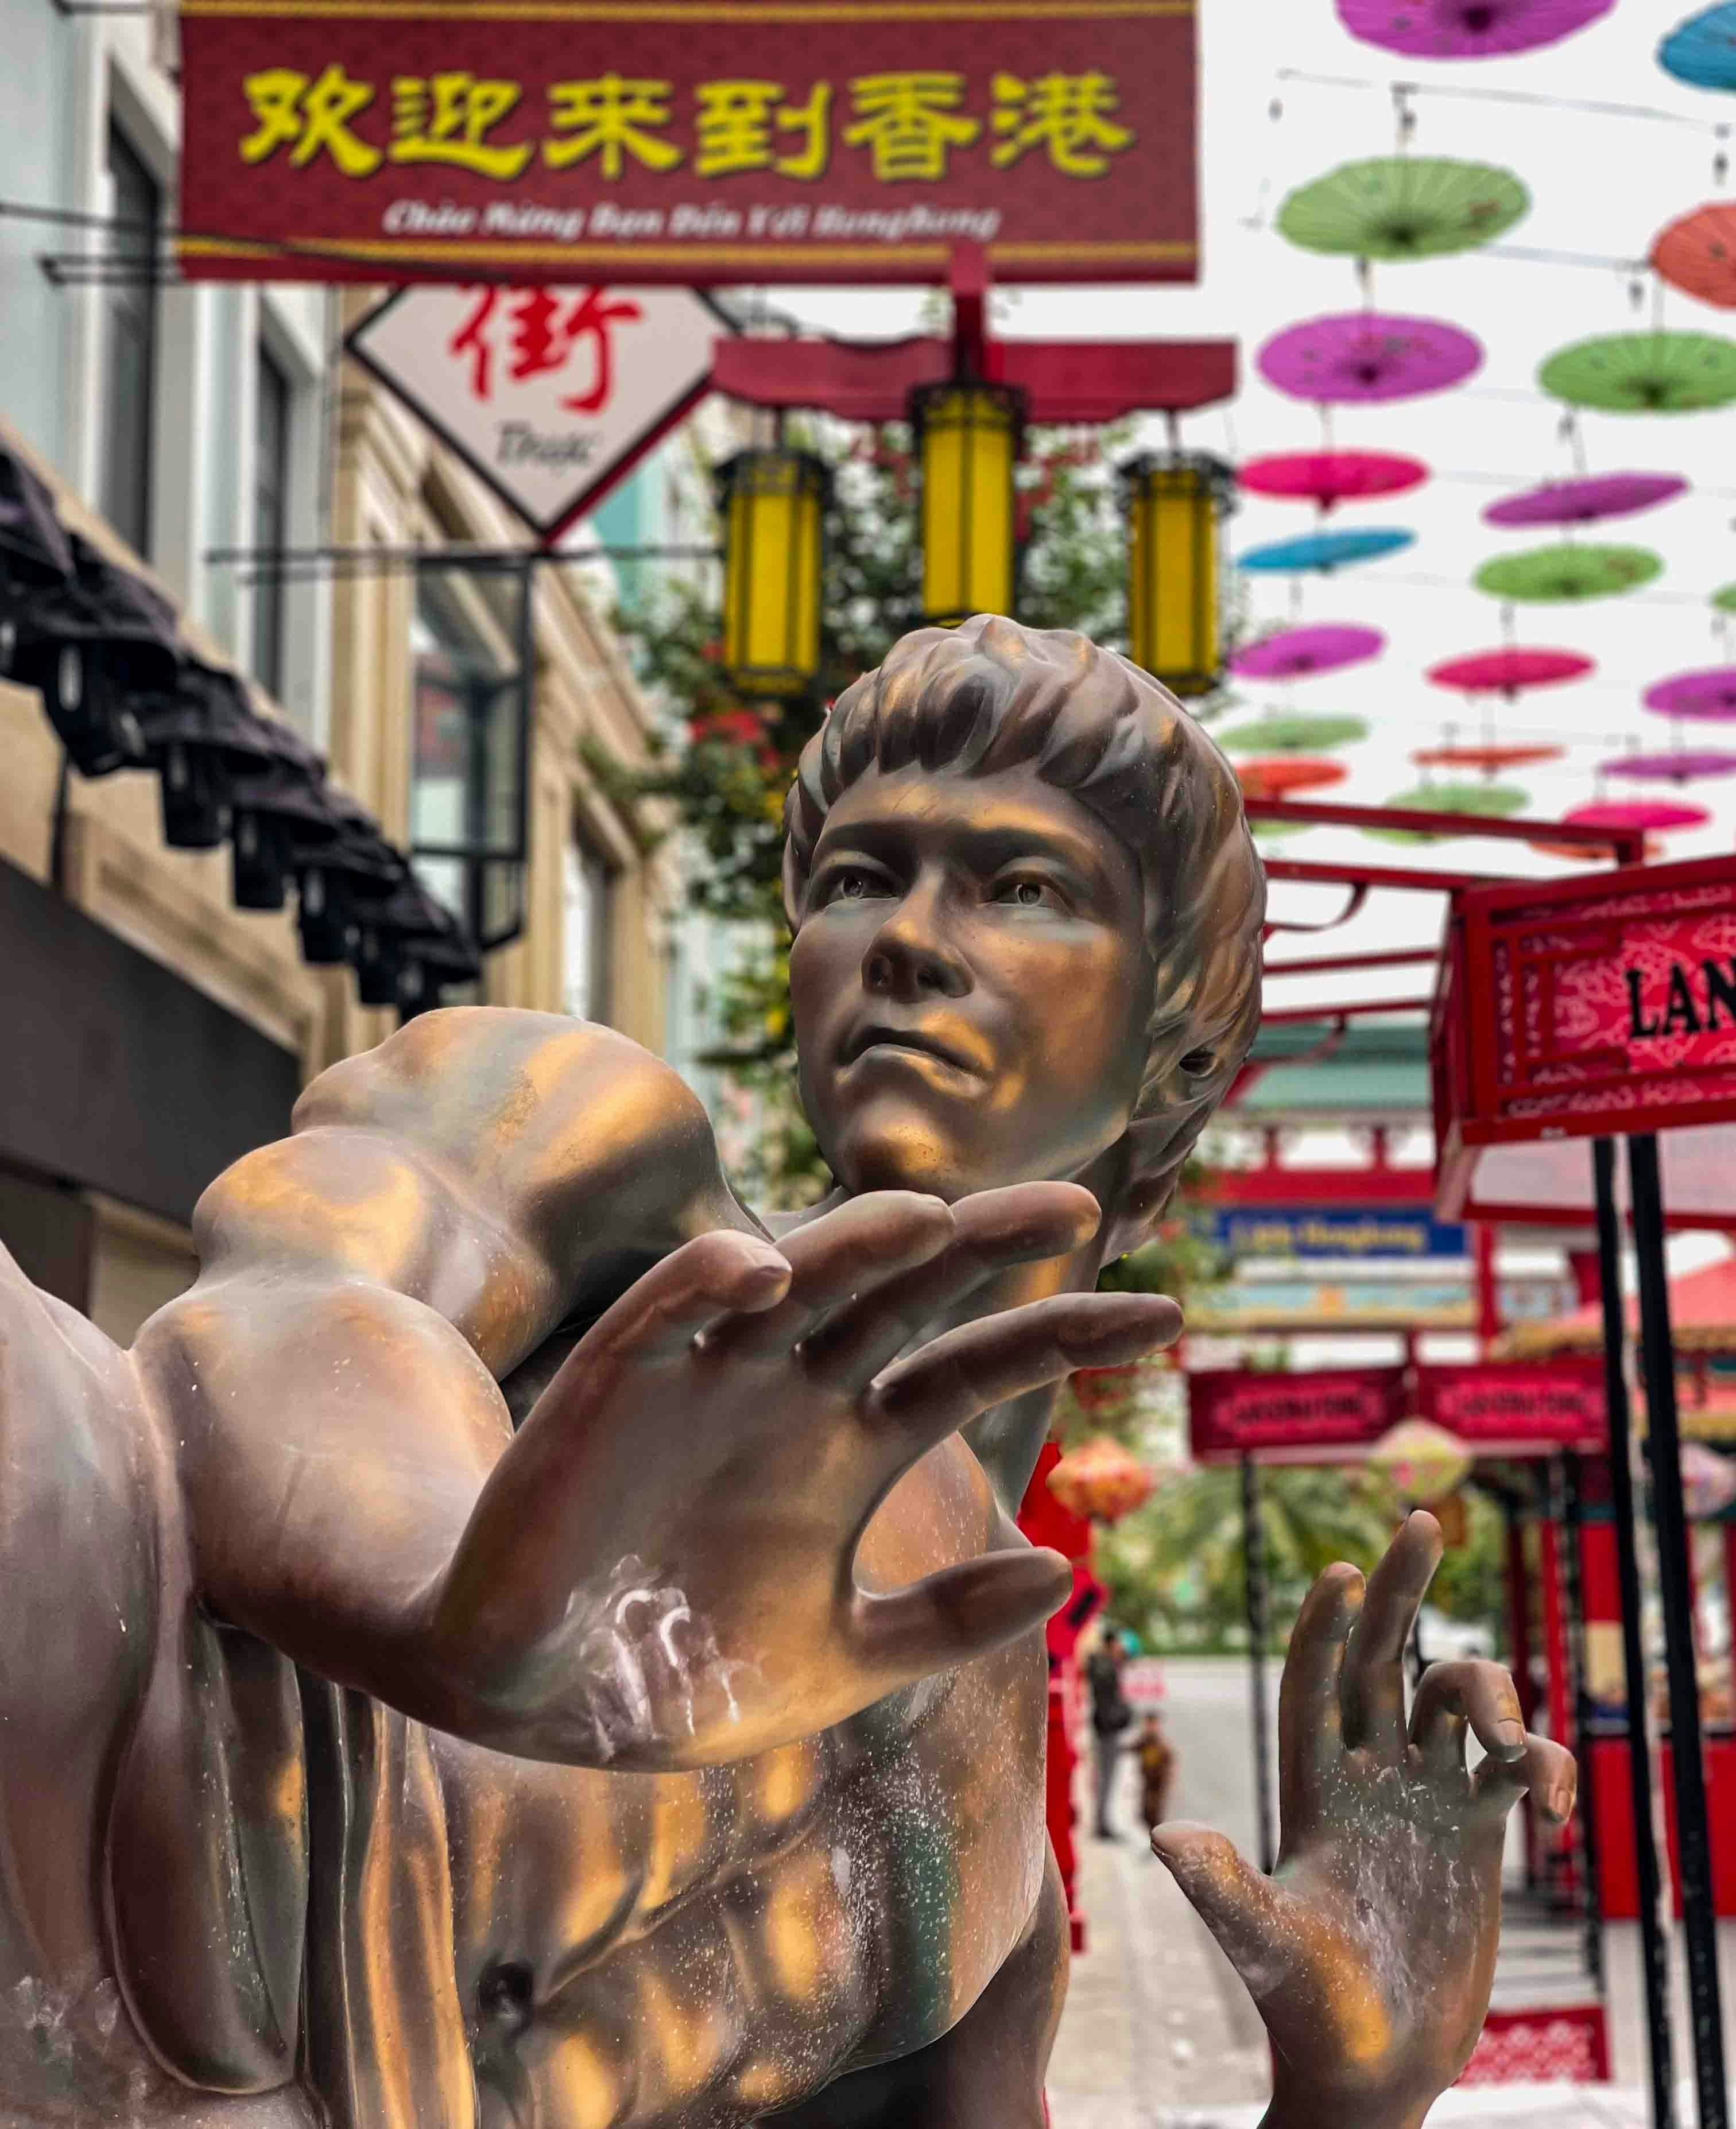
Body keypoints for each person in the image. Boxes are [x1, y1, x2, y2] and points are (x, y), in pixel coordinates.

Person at [0, 615, 1572, 2128]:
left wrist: (1350, 2098)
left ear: (1176, 1054)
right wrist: (466, 1610)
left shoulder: (997, 1876)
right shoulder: (612, 1157)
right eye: (857, 877)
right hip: (103, 1886)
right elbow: (297, 1302)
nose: (906, 938)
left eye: (1021, 886)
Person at [1086, 1628, 1135, 1839]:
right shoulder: (1104, 1665)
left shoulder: (1103, 1663)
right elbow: (1108, 1692)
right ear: (1111, 1644)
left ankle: (1103, 1821)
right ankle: (1102, 1824)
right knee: (1107, 1777)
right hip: (1107, 1728)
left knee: (1107, 1777)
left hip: (1106, 1727)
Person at [1137, 1709, 1175, 1839]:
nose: (1150, 1727)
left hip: (1158, 1784)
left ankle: (1155, 1840)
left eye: (1153, 1724)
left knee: (1155, 1814)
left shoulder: (1162, 1745)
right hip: (1147, 1782)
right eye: (1148, 1724)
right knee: (1145, 1812)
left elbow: (1169, 1763)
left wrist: (1166, 1780)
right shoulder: (1144, 1741)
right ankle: (1149, 1838)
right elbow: (1133, 1749)